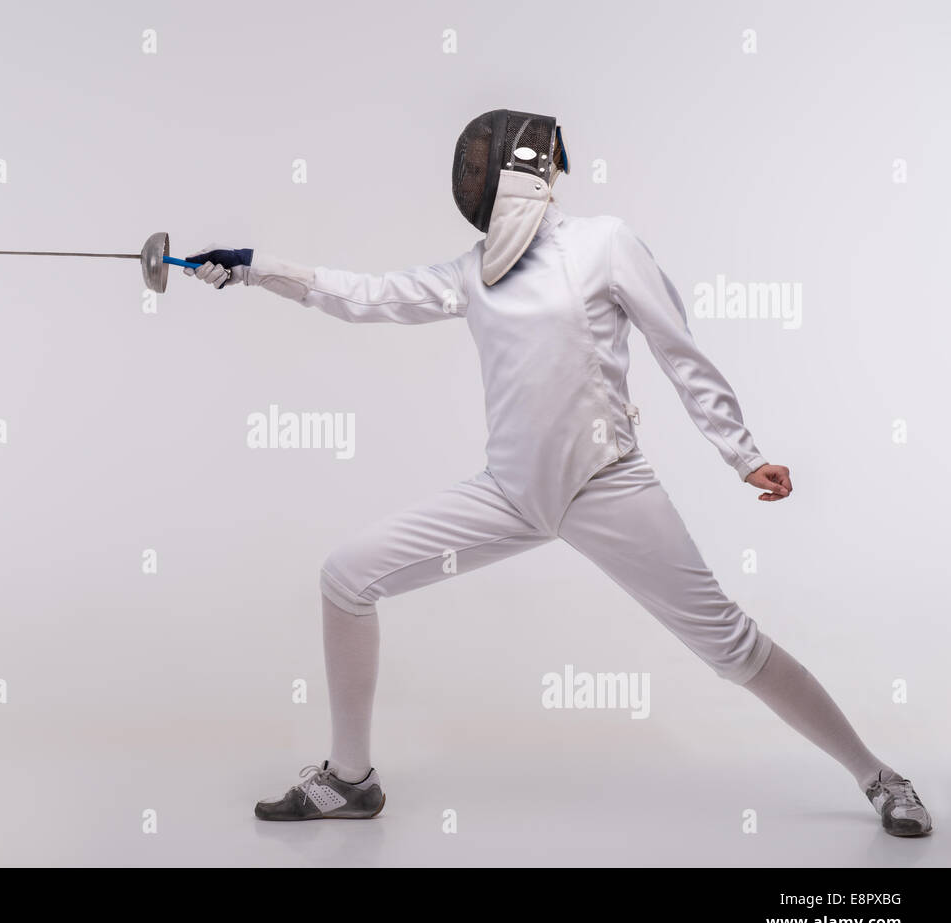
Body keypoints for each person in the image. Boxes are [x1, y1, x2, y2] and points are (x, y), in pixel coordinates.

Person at [183, 109, 932, 837]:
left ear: (520, 172)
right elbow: (367, 296)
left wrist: (742, 453)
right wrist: (258, 270)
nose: (474, 182)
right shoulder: (472, 275)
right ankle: (351, 780)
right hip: (508, 494)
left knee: (732, 646)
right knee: (345, 576)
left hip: (607, 487)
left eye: (482, 165)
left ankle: (878, 774)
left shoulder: (604, 244)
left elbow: (679, 349)